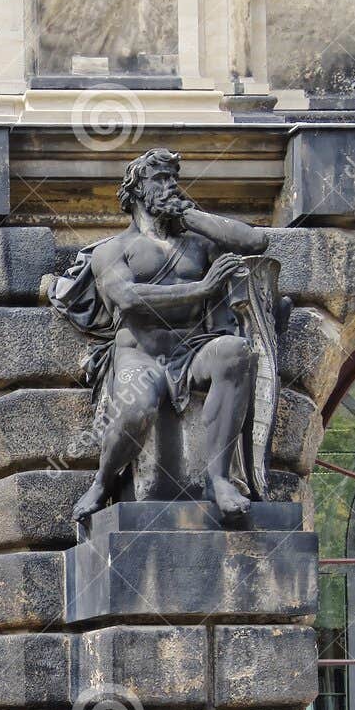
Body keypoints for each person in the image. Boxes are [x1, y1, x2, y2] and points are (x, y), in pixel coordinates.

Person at [52, 147, 269, 522]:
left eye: (173, 179)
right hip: (141, 353)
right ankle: (103, 481)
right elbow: (129, 299)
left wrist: (190, 214)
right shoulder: (112, 250)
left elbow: (254, 242)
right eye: (159, 179)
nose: (170, 186)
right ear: (137, 189)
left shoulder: (198, 243)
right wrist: (203, 289)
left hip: (193, 347)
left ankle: (219, 479)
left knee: (236, 351)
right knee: (136, 408)